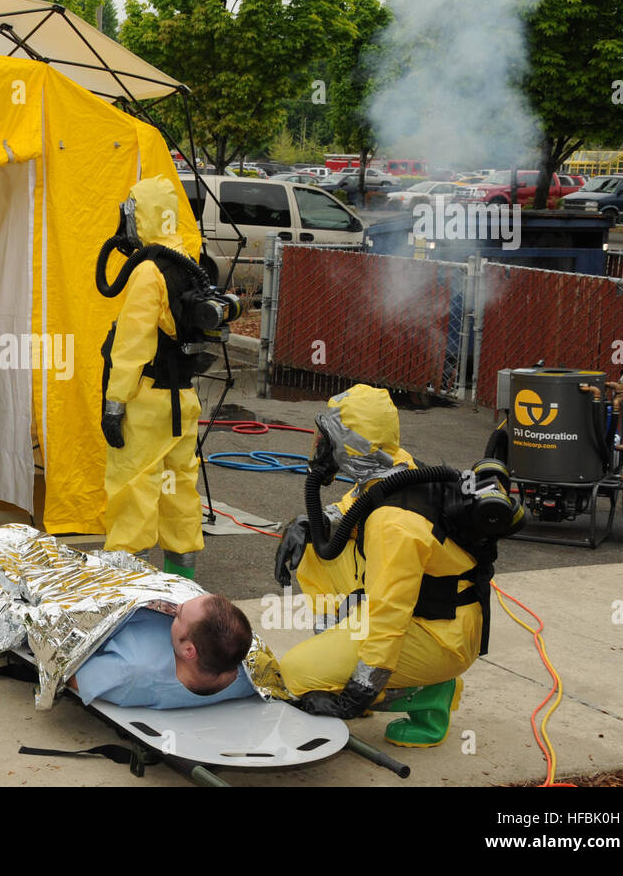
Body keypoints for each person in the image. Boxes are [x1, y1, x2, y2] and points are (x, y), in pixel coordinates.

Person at [279, 384, 485, 747]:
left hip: (439, 634)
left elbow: (389, 616)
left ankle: (427, 694)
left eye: (326, 439)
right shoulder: (393, 464)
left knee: (297, 675)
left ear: (351, 447)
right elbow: (350, 509)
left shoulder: (393, 524)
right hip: (424, 612)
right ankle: (342, 653)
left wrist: (353, 697)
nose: (318, 447)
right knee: (317, 545)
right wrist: (307, 523)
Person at [100, 175, 212, 579]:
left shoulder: (149, 271)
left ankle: (124, 592)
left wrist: (114, 403)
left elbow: (131, 346)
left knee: (133, 492)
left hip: (146, 404)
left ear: (140, 215)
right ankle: (182, 588)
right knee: (178, 491)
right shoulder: (189, 263)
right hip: (181, 403)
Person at [69, 594, 256, 708]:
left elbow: (70, 676)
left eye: (178, 615)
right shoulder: (249, 679)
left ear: (189, 650)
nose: (174, 606)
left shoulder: (132, 671)